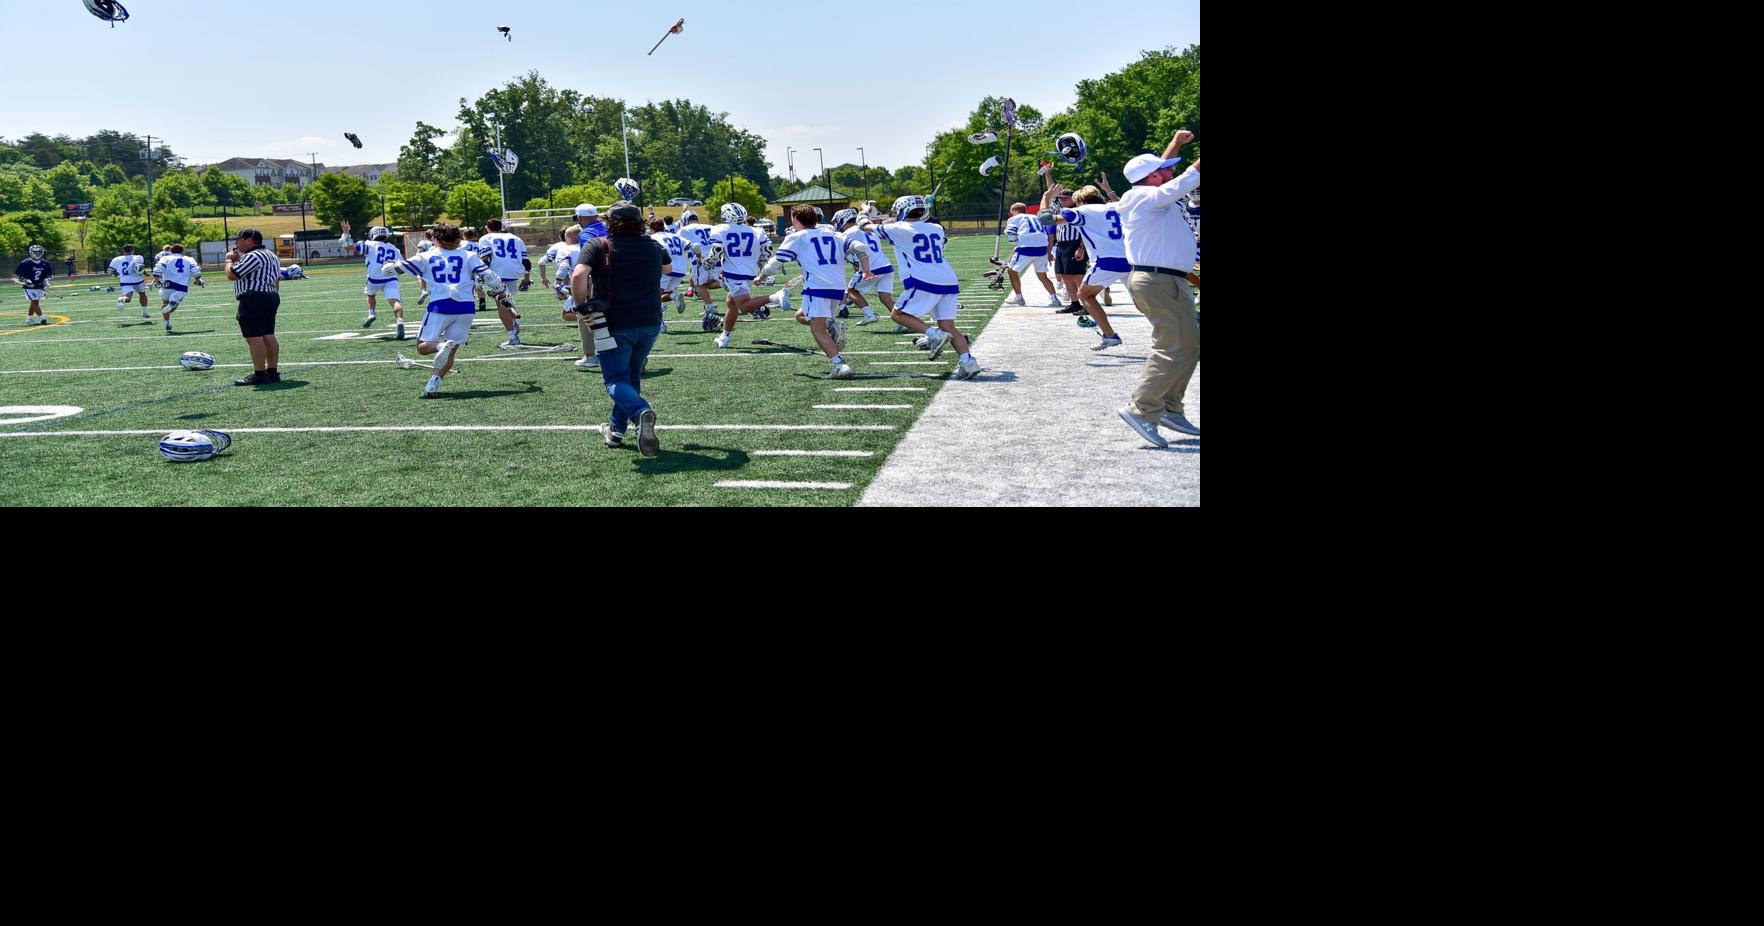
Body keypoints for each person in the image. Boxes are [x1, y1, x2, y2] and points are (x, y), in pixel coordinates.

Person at [1115, 131, 1202, 447]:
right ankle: (1142, 409)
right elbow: (1183, 180)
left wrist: (1175, 144)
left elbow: (1165, 177)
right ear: (1153, 178)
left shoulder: (1149, 193)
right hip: (1159, 281)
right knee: (1171, 346)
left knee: (1189, 346)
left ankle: (1169, 407)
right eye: (1165, 170)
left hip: (1168, 280)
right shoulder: (1142, 197)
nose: (1171, 171)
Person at [572, 203, 667, 456]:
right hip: (650, 321)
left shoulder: (599, 245)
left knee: (615, 379)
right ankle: (616, 430)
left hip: (613, 322)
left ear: (610, 223)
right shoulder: (654, 246)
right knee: (631, 374)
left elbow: (578, 275)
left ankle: (640, 411)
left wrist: (580, 307)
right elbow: (668, 268)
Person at [380, 222, 509, 398]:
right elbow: (490, 277)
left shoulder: (425, 256)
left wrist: (389, 264)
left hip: (440, 306)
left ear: (435, 239)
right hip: (466, 307)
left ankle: (441, 346)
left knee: (423, 347)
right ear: (458, 239)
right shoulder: (469, 255)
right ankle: (433, 384)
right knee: (451, 350)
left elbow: (390, 271)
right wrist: (502, 293)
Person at [859, 196, 981, 379]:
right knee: (948, 326)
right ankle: (968, 362)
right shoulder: (936, 228)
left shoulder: (898, 228)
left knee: (897, 314)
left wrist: (864, 212)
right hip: (948, 279)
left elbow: (864, 226)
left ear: (902, 210)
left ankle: (933, 334)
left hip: (923, 279)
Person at [757, 204, 865, 379]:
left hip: (817, 287)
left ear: (795, 218)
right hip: (838, 288)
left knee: (817, 330)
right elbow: (860, 247)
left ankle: (840, 364)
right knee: (801, 316)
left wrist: (761, 276)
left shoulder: (797, 237)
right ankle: (832, 326)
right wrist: (865, 267)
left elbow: (775, 264)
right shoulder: (833, 233)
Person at [225, 229, 284, 386]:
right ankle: (272, 372)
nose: (236, 243)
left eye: (238, 239)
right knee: (268, 334)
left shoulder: (253, 256)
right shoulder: (271, 255)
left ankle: (259, 374)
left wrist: (228, 261)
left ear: (249, 240)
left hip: (254, 298)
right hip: (271, 295)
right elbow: (276, 279)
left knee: (254, 337)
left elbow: (232, 274)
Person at [339, 220, 407, 339]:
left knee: (370, 295)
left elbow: (348, 247)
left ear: (372, 234)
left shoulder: (369, 244)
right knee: (395, 301)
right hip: (391, 278)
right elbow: (402, 267)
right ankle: (400, 321)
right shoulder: (394, 248)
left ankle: (371, 313)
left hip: (374, 278)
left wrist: (346, 233)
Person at [1002, 204, 1058, 307]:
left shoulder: (1015, 218)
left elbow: (1011, 233)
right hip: (1042, 247)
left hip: (1026, 247)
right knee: (1042, 276)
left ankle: (1019, 297)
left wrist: (1015, 243)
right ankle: (1055, 299)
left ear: (1014, 210)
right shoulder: (1035, 217)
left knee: (1012, 271)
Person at [151, 243, 204, 334]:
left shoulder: (165, 258)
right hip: (181, 286)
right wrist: (198, 280)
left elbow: (158, 269)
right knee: (173, 307)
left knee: (165, 303)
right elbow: (196, 270)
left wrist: (157, 280)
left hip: (167, 284)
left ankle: (167, 323)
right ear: (182, 251)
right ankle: (173, 301)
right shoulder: (189, 259)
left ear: (171, 251)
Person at [14, 244, 52, 325]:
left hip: (40, 286)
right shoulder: (25, 263)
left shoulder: (45, 263)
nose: (38, 253)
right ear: (31, 252)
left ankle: (29, 319)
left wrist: (47, 280)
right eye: (35, 252)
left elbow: (48, 275)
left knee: (34, 302)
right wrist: (26, 280)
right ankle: (42, 318)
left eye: (39, 252)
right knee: (35, 302)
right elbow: (19, 275)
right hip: (29, 286)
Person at [108, 244, 149, 312]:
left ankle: (121, 299)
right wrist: (146, 273)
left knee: (128, 298)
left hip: (125, 281)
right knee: (142, 293)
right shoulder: (138, 257)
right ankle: (145, 311)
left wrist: (119, 276)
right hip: (137, 280)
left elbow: (111, 271)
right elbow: (138, 268)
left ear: (123, 251)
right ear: (133, 250)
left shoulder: (116, 259)